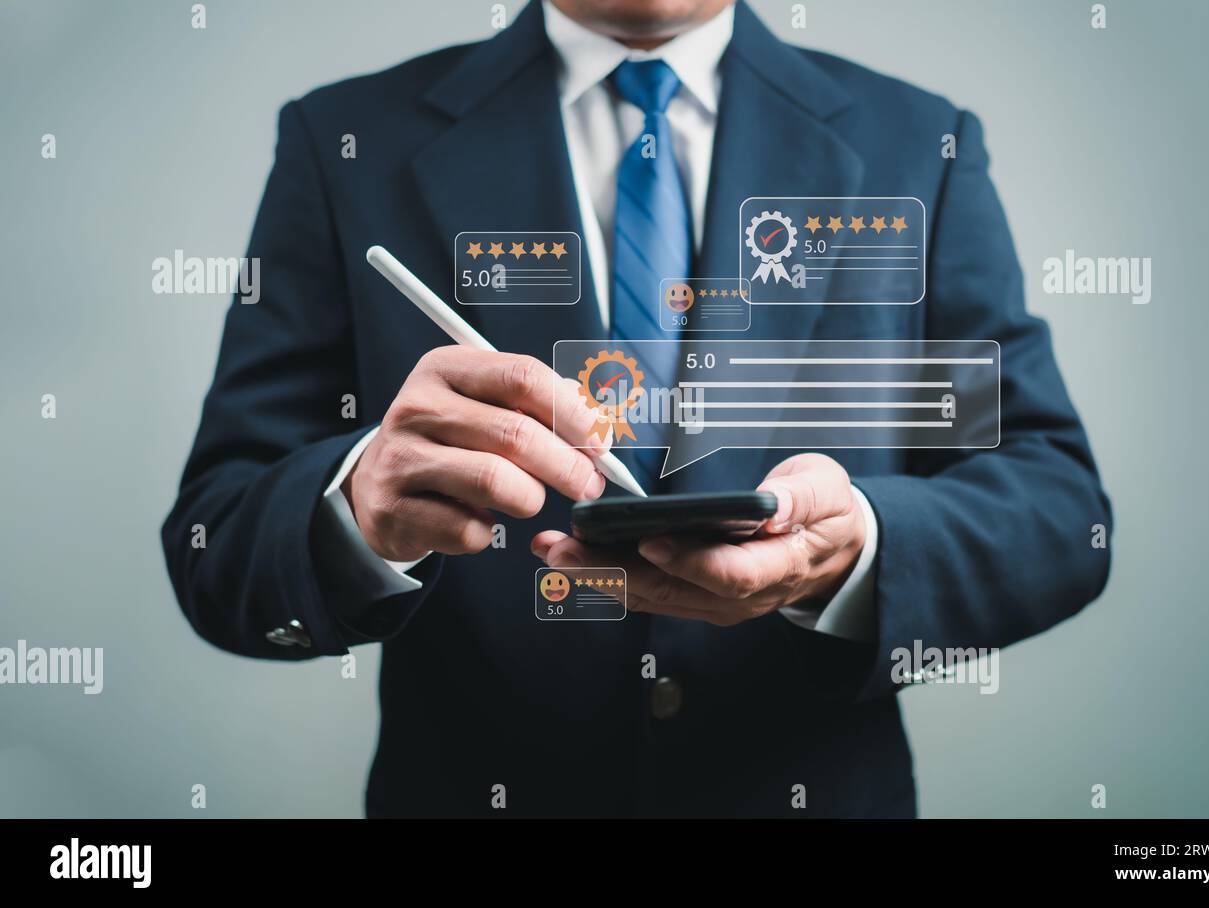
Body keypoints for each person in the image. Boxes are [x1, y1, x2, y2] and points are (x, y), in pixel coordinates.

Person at [162, 0, 1111, 817]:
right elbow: (218, 535)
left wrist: (855, 550)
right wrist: (356, 508)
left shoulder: (917, 143)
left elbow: (1058, 508)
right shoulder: (347, 143)